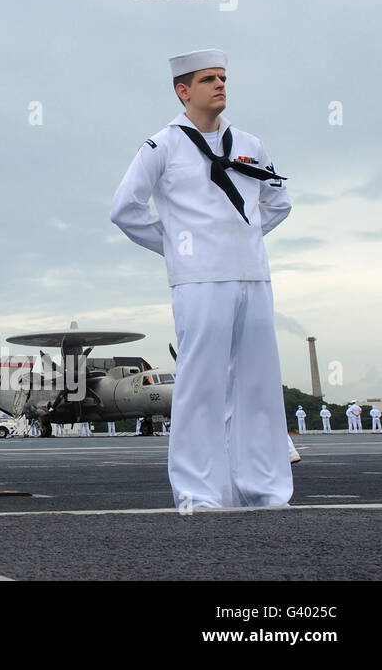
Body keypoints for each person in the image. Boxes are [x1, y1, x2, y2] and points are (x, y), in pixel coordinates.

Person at [111, 49, 292, 510]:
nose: (220, 85)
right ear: (183, 90)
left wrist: (242, 238)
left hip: (252, 275)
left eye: (223, 77)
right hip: (199, 281)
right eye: (208, 78)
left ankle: (266, 490)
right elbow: (125, 209)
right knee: (201, 385)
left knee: (259, 386)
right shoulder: (162, 146)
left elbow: (278, 202)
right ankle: (199, 492)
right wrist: (178, 245)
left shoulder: (251, 143)